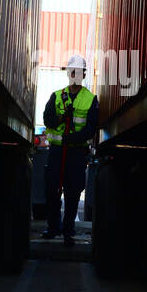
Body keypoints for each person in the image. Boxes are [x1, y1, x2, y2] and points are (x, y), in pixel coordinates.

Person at [42, 54, 99, 245]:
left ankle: (68, 230)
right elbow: (48, 120)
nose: (75, 74)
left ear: (83, 75)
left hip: (76, 153)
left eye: (79, 72)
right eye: (72, 71)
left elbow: (91, 129)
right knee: (52, 190)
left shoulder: (90, 99)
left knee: (73, 192)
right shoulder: (57, 96)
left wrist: (73, 138)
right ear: (68, 73)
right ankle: (52, 227)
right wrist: (60, 119)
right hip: (57, 152)